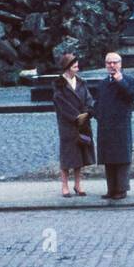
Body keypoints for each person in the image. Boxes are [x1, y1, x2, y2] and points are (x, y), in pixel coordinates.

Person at [93, 51, 134, 199]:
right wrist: (97, 115)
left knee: (122, 158)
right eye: (109, 63)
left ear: (121, 64)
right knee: (108, 159)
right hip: (105, 126)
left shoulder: (129, 80)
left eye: (115, 62)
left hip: (121, 125)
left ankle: (122, 189)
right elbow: (98, 103)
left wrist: (121, 82)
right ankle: (111, 189)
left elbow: (132, 96)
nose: (112, 65)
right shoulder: (103, 83)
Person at [52, 52, 95, 198]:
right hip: (68, 124)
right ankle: (64, 186)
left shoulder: (81, 82)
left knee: (80, 155)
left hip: (83, 123)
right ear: (66, 66)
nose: (76, 65)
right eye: (73, 63)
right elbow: (60, 103)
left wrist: (88, 112)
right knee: (67, 155)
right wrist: (76, 116)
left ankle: (78, 184)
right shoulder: (60, 84)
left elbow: (89, 99)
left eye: (76, 62)